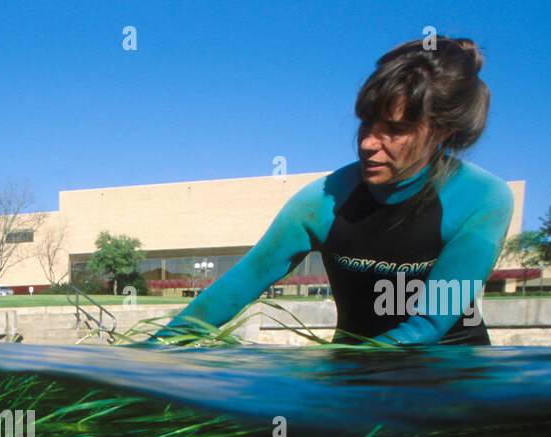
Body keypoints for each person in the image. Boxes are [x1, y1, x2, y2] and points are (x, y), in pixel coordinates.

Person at [153, 36, 513, 346]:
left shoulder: (482, 199)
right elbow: (238, 286)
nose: (369, 143)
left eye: (395, 129)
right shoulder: (321, 201)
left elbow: (429, 324)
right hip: (350, 371)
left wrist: (336, 374)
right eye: (366, 123)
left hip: (452, 375)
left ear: (442, 131)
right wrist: (147, 353)